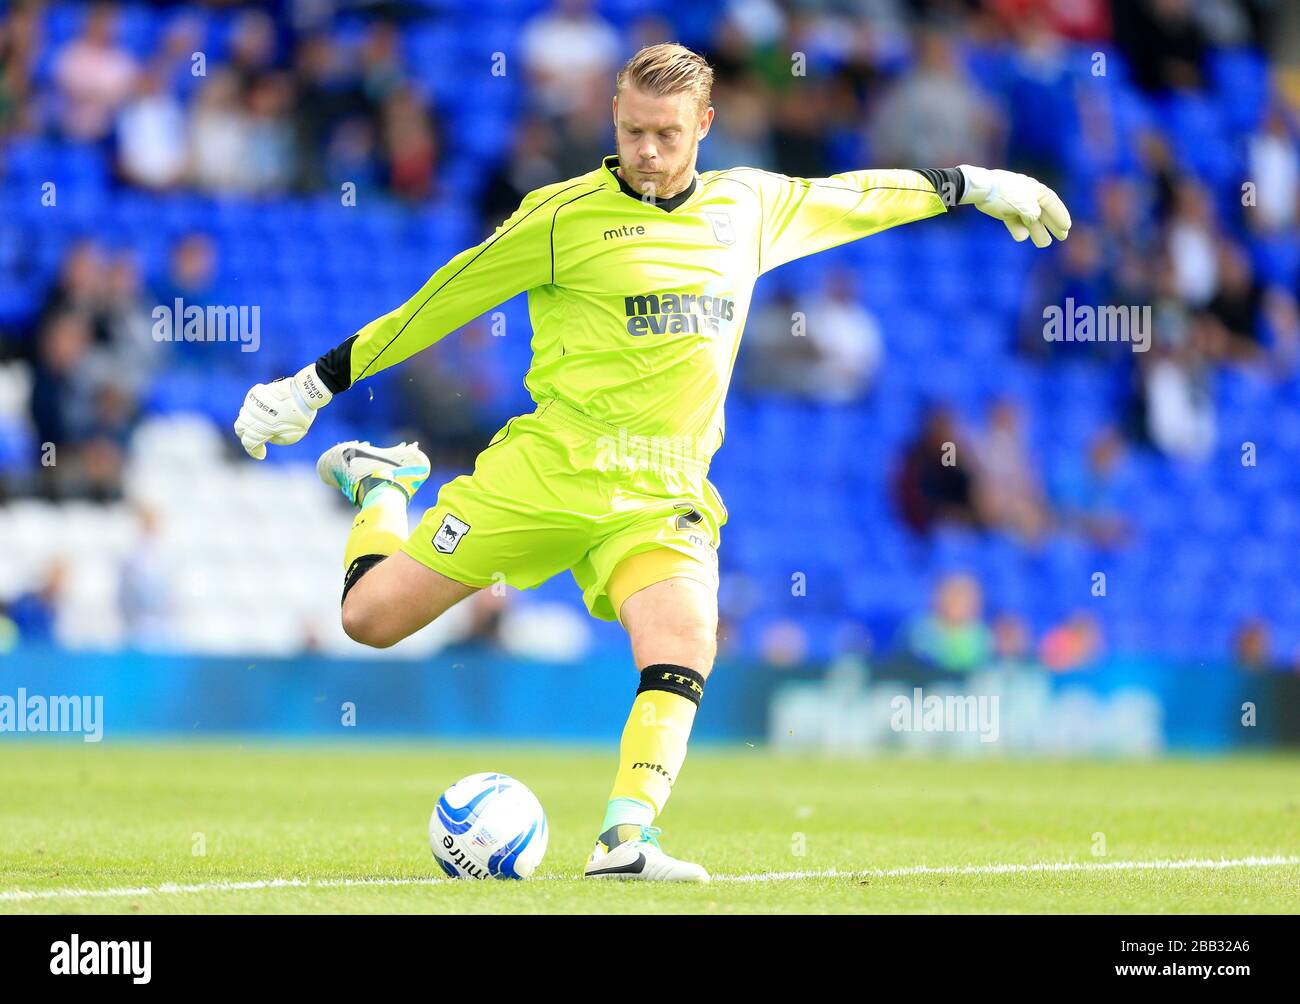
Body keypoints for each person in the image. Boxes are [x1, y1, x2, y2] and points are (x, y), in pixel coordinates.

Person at [234, 43, 1070, 882]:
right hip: (551, 468)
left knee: (685, 638)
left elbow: (855, 198)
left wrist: (977, 184)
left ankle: (623, 837)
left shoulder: (749, 205)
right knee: (369, 620)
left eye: (667, 133)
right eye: (633, 130)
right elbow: (440, 301)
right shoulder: (559, 217)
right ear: (614, 118)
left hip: (663, 489)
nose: (648, 150)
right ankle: (383, 485)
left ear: (705, 124)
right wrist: (312, 386)